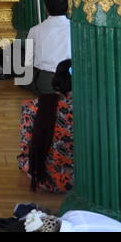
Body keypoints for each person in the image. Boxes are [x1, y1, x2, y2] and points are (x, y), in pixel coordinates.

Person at [18, 60, 73, 194]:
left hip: (46, 178)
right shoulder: (93, 109)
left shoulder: (33, 106)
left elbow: (26, 144)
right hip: (87, 181)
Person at [24, 0, 71, 94]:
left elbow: (28, 62)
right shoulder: (75, 30)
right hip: (71, 80)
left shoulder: (35, 30)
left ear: (46, 8)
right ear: (68, 8)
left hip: (45, 82)